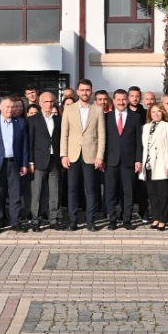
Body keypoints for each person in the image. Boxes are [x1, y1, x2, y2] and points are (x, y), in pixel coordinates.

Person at [61, 79, 104, 230]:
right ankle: (73, 221)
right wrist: (63, 155)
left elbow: (101, 134)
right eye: (82, 90)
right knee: (72, 189)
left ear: (91, 91)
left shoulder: (97, 109)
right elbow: (64, 134)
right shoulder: (69, 109)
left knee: (91, 189)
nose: (85, 92)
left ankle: (90, 221)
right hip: (72, 155)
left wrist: (100, 155)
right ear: (77, 91)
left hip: (91, 155)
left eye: (87, 90)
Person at [102, 89, 142, 230]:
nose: (121, 102)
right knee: (111, 192)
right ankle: (112, 220)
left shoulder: (135, 117)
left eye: (124, 99)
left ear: (127, 100)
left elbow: (138, 140)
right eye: (118, 99)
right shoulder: (106, 117)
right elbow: (102, 140)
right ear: (113, 101)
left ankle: (127, 220)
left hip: (129, 162)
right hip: (110, 161)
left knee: (128, 192)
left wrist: (138, 159)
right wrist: (101, 158)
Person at [0, 96, 31, 232]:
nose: (9, 109)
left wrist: (25, 164)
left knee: (15, 194)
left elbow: (25, 145)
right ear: (0, 108)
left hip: (15, 162)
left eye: (12, 107)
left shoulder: (20, 123)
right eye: (7, 107)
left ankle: (16, 221)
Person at [26, 91, 62, 231]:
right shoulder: (33, 120)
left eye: (51, 101)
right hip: (38, 160)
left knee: (54, 191)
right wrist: (30, 161)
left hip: (54, 160)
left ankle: (53, 219)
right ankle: (36, 220)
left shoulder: (58, 119)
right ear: (40, 103)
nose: (49, 104)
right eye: (46, 101)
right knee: (37, 191)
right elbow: (30, 142)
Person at [139, 103, 168, 230]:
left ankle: (163, 219)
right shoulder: (146, 127)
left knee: (163, 194)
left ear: (163, 113)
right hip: (149, 165)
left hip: (162, 164)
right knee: (152, 194)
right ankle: (155, 218)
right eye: (153, 112)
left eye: (158, 111)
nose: (156, 114)